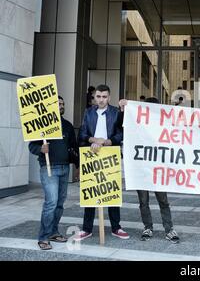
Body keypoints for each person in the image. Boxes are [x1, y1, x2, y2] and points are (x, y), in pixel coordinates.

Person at [118, 97, 180, 243]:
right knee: (143, 201)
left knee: (163, 200)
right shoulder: (137, 123)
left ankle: (169, 228)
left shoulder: (164, 125)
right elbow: (122, 126)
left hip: (158, 170)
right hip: (142, 169)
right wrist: (123, 110)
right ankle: (148, 227)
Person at [75, 84, 129, 241]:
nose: (101, 99)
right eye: (98, 96)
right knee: (91, 191)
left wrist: (107, 142)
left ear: (109, 98)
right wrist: (94, 140)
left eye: (104, 97)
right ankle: (87, 229)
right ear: (94, 97)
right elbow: (83, 134)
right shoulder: (88, 112)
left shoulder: (115, 112)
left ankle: (116, 227)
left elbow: (121, 134)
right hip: (91, 155)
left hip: (110, 155)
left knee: (112, 191)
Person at [29, 96, 78, 250]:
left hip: (65, 169)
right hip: (48, 168)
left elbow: (73, 147)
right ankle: (43, 237)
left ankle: (53, 232)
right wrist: (40, 149)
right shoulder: (42, 125)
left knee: (59, 204)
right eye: (58, 103)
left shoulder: (68, 126)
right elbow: (32, 146)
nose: (61, 105)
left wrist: (78, 166)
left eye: (62, 103)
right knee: (51, 203)